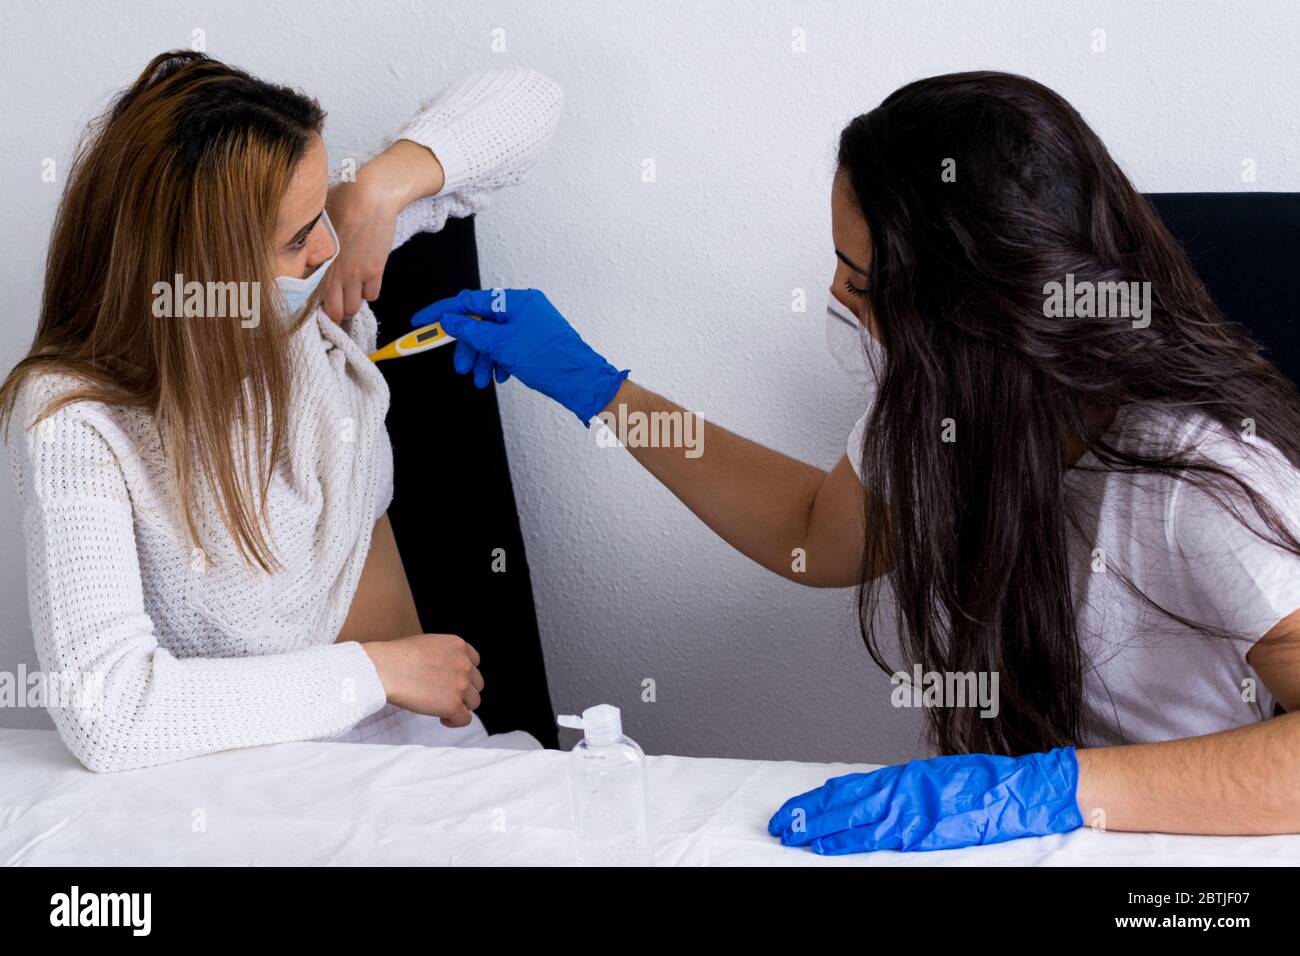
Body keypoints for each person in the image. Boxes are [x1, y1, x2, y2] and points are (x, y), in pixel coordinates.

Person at [415, 71, 1300, 853]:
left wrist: (1051, 791)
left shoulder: (1195, 477)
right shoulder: (942, 402)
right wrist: (596, 389)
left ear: (976, 307)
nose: (839, 294)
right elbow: (814, 536)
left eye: (863, 280)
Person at [0, 51, 561, 772]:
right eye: (299, 240)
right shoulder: (74, 421)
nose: (328, 248)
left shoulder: (315, 305)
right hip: (265, 791)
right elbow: (108, 711)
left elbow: (532, 98)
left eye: (320, 218)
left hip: (428, 760)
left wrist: (374, 191)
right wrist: (377, 672)